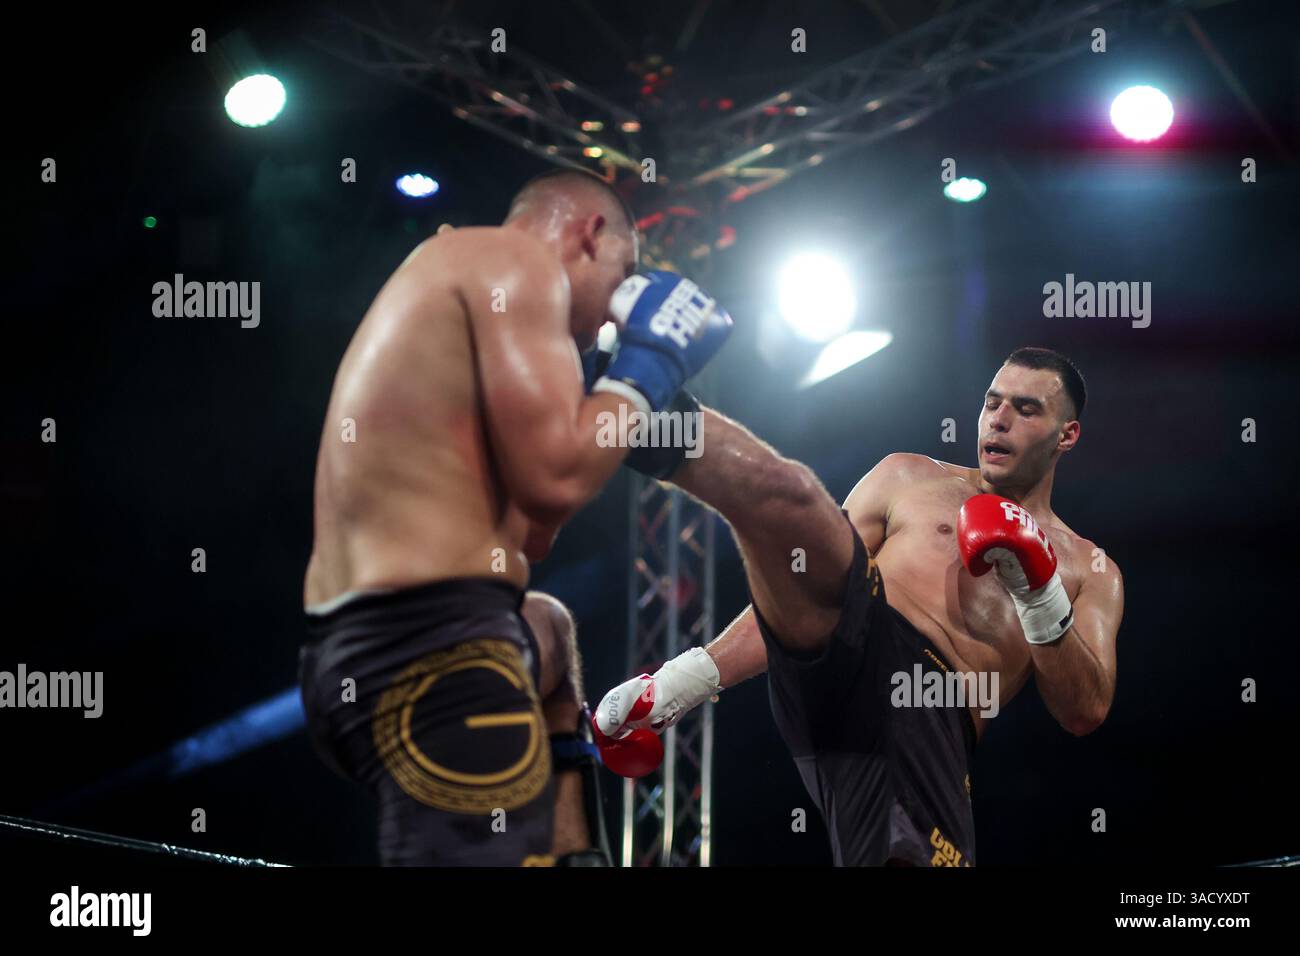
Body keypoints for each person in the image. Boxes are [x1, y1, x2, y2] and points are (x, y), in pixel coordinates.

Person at [299, 169, 730, 865]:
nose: (612, 317)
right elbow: (558, 477)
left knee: (547, 626)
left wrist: (600, 381)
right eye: (623, 278)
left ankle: (573, 857)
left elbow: (533, 533)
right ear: (590, 235)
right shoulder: (515, 260)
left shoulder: (471, 296)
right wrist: (651, 366)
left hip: (368, 653)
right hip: (435, 654)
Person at [596, 347, 1123, 866]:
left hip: (929, 721)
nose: (998, 420)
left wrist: (1039, 592)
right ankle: (620, 385)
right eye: (992, 403)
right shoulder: (908, 477)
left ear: (1067, 434)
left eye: (1025, 409)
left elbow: (1085, 710)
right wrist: (676, 684)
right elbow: (807, 590)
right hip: (852, 638)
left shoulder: (1086, 568)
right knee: (793, 495)